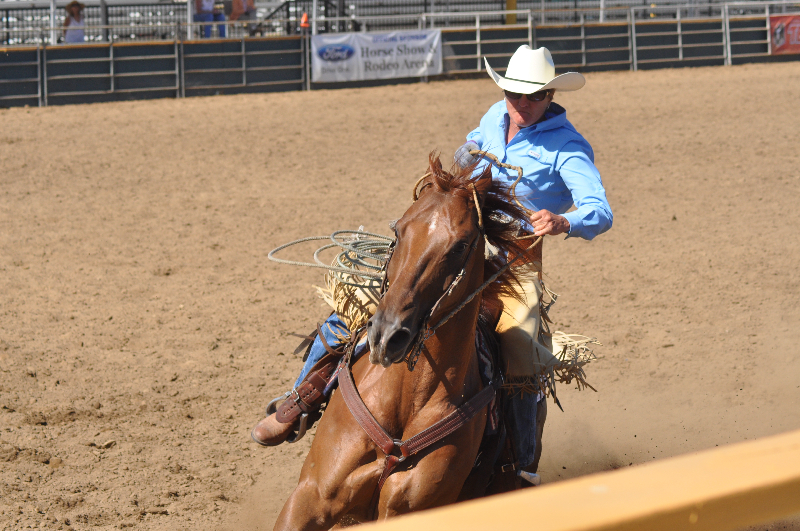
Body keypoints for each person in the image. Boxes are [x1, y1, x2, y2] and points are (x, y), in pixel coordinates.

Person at [251, 46, 613, 477]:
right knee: (357, 300)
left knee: (520, 348)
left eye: (534, 96)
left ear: (550, 96)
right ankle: (302, 399)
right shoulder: (494, 118)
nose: (522, 103)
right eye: (514, 93)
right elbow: (468, 152)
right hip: (450, 246)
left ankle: (520, 464)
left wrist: (563, 221)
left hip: (509, 264)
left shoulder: (568, 147)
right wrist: (463, 157)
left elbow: (600, 210)